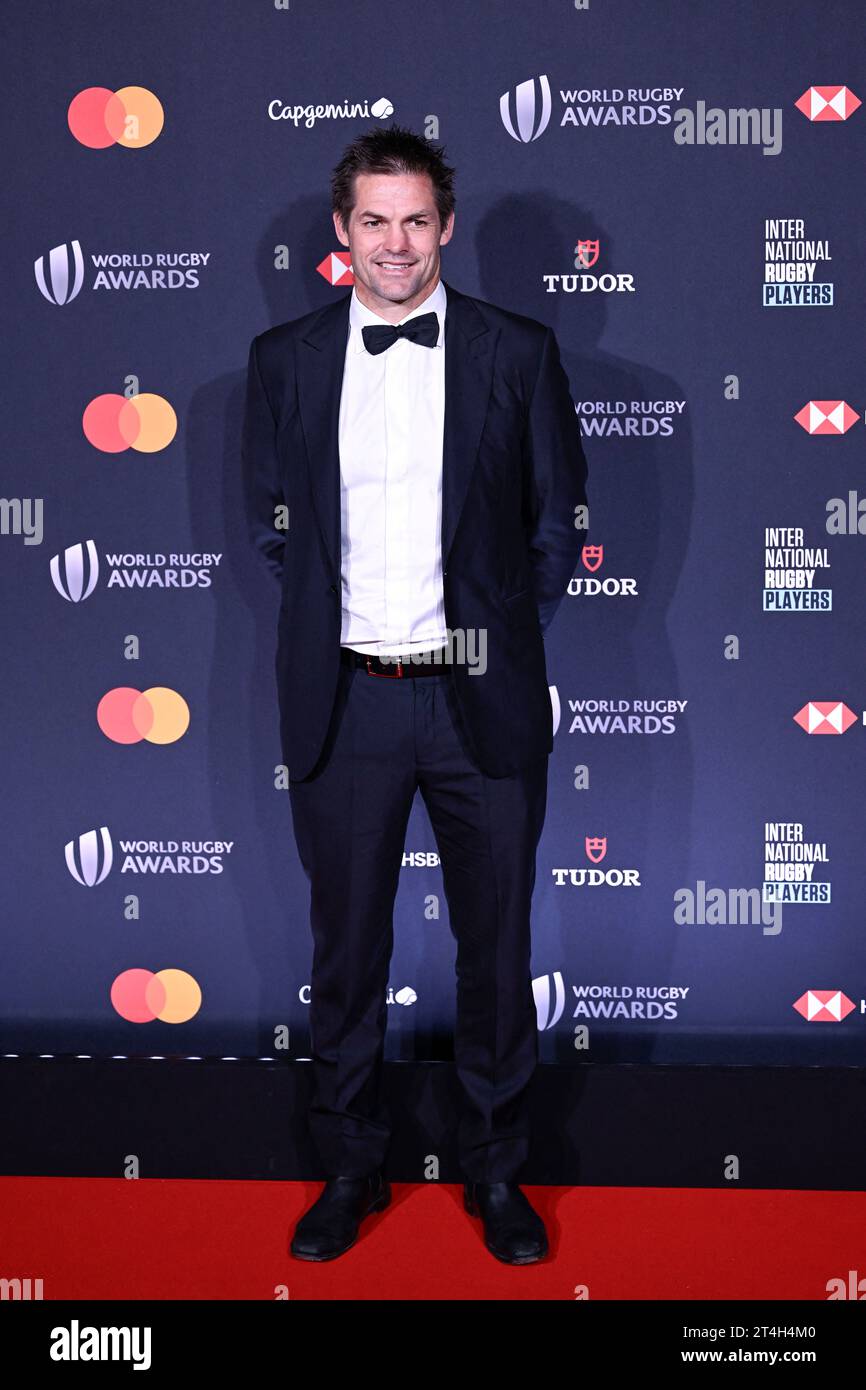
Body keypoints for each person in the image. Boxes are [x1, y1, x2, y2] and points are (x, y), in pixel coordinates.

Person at [242, 124, 588, 1264]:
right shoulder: (282, 359)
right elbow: (275, 529)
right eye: (373, 221)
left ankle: (496, 1174)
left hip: (477, 695)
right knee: (346, 949)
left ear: (444, 225)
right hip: (345, 701)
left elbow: (550, 532)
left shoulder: (517, 351)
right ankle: (349, 1166)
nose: (396, 244)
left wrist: (487, 639)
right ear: (342, 234)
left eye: (416, 220)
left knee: (495, 946)